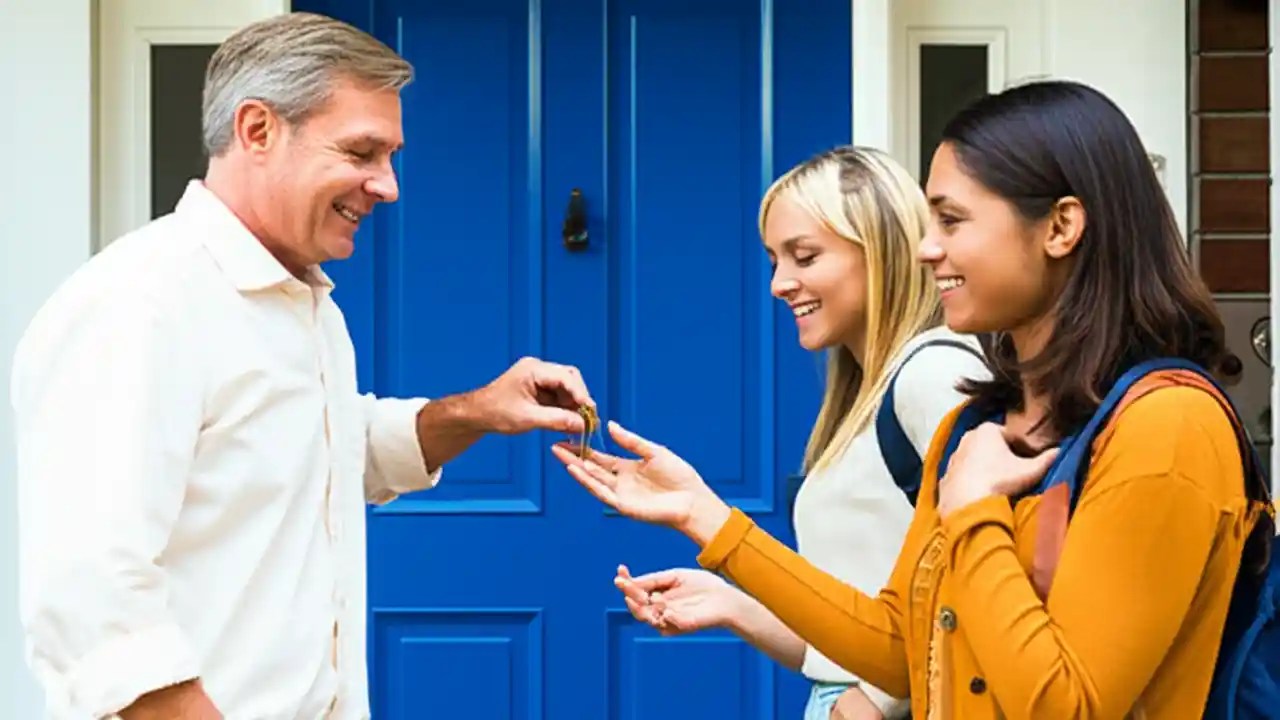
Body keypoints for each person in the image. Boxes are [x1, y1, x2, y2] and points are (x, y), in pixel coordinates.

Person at [553, 79, 1274, 719]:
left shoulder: (1168, 426)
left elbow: (1065, 705)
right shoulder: (982, 421)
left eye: (952, 221)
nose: (926, 249)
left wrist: (975, 511)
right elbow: (901, 648)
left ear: (1060, 227)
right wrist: (706, 518)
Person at [11, 12, 596, 720]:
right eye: (361, 152)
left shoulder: (305, 305)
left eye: (390, 157)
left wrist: (476, 410)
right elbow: (92, 600)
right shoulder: (138, 304)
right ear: (257, 130)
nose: (387, 186)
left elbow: (329, 450)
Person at [610, 146, 988, 720]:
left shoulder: (932, 374)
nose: (780, 284)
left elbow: (987, 574)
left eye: (805, 257)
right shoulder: (870, 392)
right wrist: (734, 606)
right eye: (774, 260)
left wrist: (880, 701)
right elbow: (847, 646)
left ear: (882, 252)